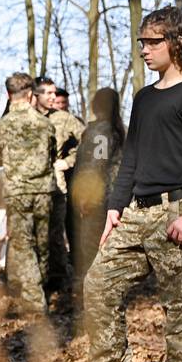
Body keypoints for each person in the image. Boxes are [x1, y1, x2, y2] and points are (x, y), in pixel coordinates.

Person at [82, 7, 182, 362]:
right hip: (136, 214)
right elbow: (131, 158)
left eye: (152, 41)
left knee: (180, 306)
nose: (143, 49)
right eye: (142, 41)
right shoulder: (144, 98)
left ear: (177, 42)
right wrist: (114, 207)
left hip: (179, 211)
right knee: (98, 285)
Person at [0, 73, 56, 316]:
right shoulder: (45, 124)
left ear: (8, 95)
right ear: (30, 95)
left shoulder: (0, 126)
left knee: (23, 244)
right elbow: (52, 154)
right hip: (43, 191)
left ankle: (35, 300)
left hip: (17, 192)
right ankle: (42, 288)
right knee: (42, 242)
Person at [69, 87, 125, 294]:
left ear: (96, 105)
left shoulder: (99, 131)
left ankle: (93, 290)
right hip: (115, 197)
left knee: (91, 246)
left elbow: (95, 165)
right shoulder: (118, 129)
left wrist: (86, 198)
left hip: (98, 198)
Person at [34, 76, 82, 302]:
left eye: (55, 94)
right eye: (49, 94)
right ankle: (33, 284)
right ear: (35, 95)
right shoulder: (25, 117)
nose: (54, 98)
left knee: (55, 238)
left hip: (56, 187)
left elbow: (92, 139)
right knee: (32, 238)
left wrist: (70, 161)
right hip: (29, 188)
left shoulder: (64, 118)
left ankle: (59, 283)